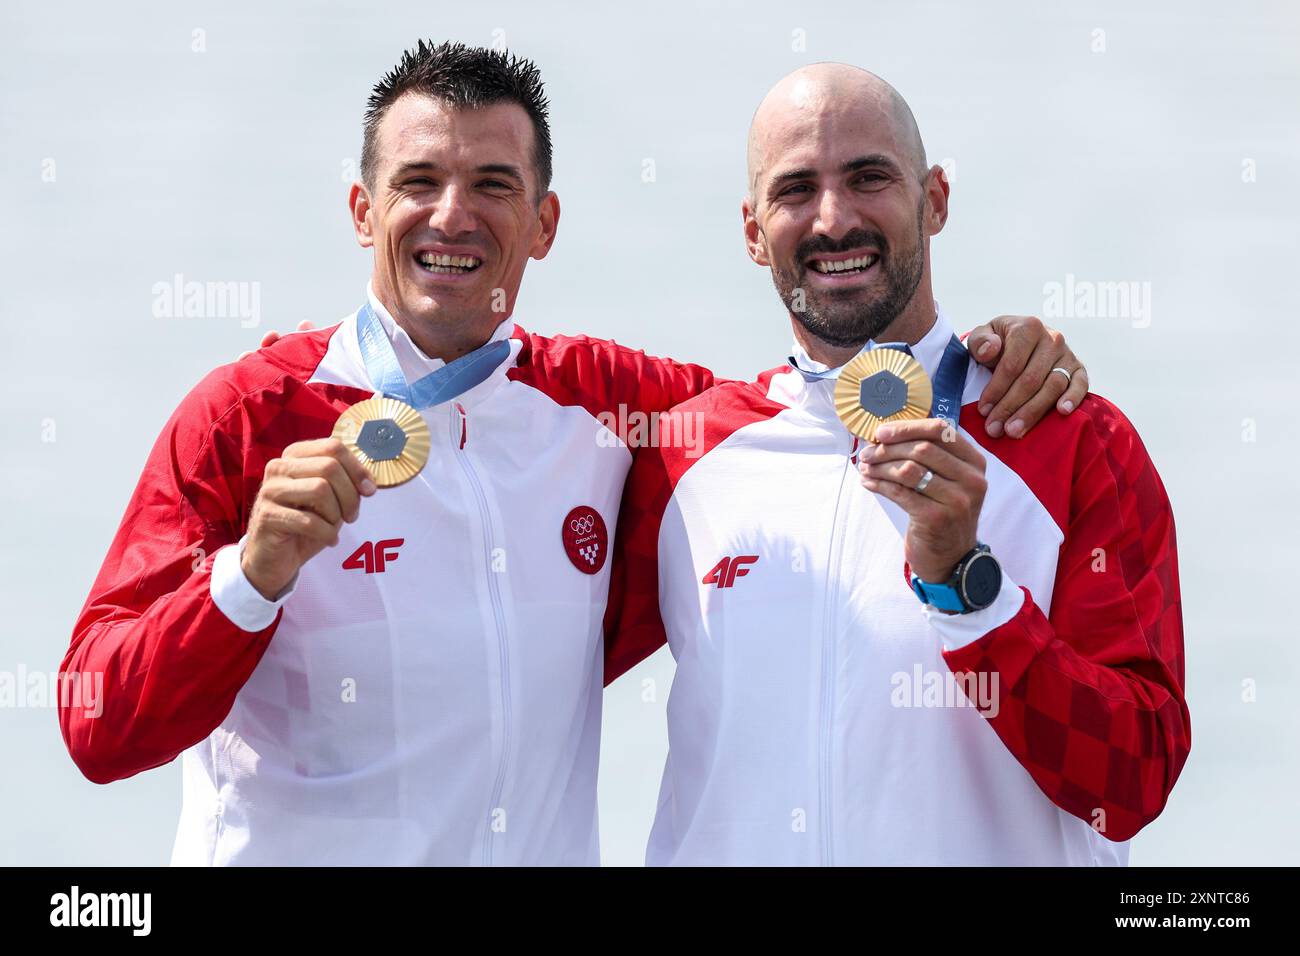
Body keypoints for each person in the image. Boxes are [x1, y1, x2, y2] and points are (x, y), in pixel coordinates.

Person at [61, 42, 1088, 866]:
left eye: (493, 184)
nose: (452, 216)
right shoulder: (246, 415)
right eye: (417, 181)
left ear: (544, 222)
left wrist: (993, 356)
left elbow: (806, 403)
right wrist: (251, 576)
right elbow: (98, 723)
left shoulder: (609, 404)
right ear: (362, 210)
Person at [605, 63, 1188, 865]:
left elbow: (1134, 780)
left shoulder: (1069, 435)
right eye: (795, 189)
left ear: (936, 199)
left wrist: (971, 594)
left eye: (868, 177)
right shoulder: (683, 455)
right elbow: (512, 676)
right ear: (751, 231)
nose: (833, 219)